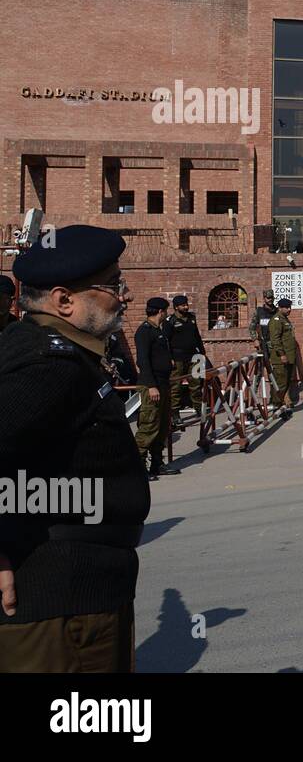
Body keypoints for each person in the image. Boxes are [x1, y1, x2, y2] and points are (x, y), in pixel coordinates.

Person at [0, 225, 150, 672]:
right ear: (64, 301)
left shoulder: (56, 351)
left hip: (80, 595)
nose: (123, 297)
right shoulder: (50, 365)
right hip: (61, 607)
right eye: (113, 286)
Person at [134, 298, 178, 480]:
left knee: (162, 426)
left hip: (163, 383)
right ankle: (137, 467)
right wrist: (151, 386)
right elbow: (143, 361)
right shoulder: (144, 332)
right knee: (149, 425)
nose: (167, 314)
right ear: (160, 311)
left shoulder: (158, 330)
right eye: (166, 311)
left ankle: (157, 464)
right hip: (151, 385)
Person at [163, 294, 205, 417]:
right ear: (176, 307)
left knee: (196, 384)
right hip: (177, 358)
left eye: (186, 304)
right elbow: (166, 340)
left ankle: (198, 409)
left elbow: (197, 335)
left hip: (194, 356)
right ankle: (175, 413)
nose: (186, 307)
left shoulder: (192, 318)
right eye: (183, 305)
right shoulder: (170, 321)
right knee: (175, 386)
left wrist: (202, 351)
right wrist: (169, 357)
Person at [267, 298, 299, 416]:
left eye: (290, 307)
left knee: (286, 382)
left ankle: (281, 406)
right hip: (281, 359)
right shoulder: (277, 320)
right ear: (280, 307)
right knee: (280, 383)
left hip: (289, 357)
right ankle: (277, 406)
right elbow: (275, 340)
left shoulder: (284, 319)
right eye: (287, 307)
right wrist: (282, 354)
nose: (289, 309)